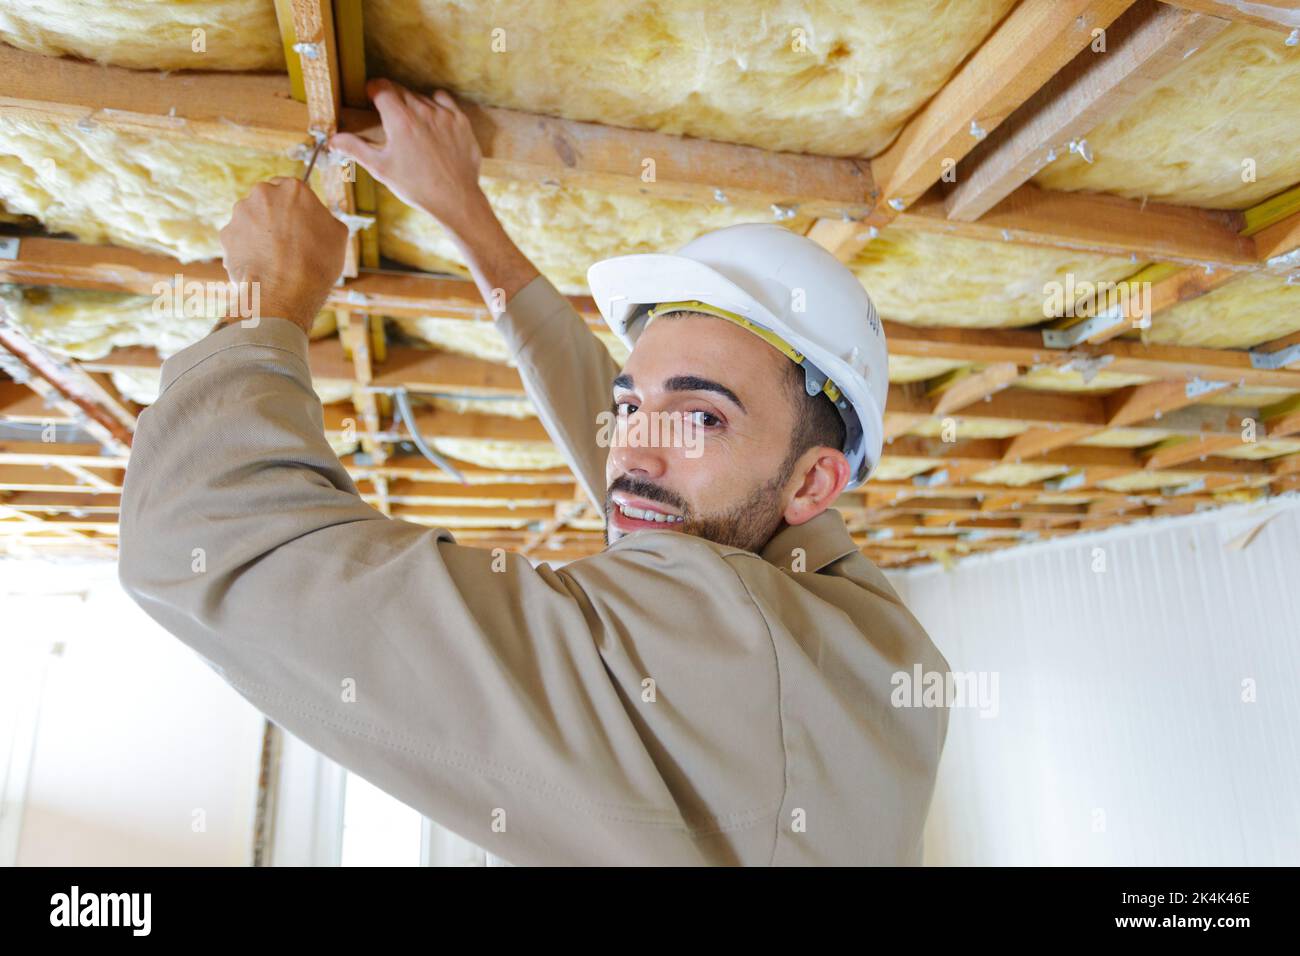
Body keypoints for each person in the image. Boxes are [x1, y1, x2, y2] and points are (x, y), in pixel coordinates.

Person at [119, 79, 950, 866]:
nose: (632, 449)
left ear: (814, 482)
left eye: (701, 416)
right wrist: (463, 211)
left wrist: (267, 303)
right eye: (633, 405)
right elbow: (652, 484)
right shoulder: (856, 623)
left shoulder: (720, 649)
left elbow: (199, 535)